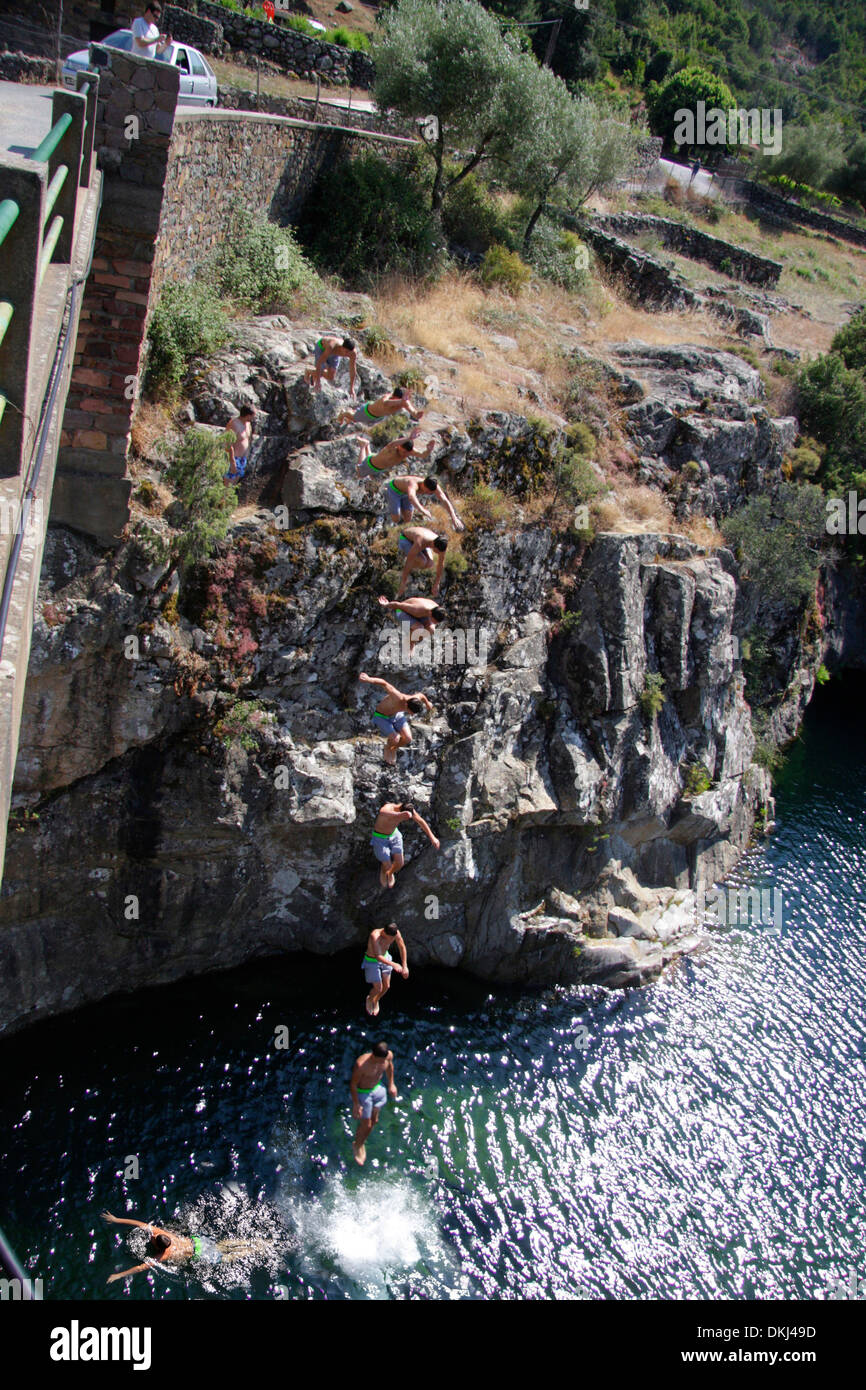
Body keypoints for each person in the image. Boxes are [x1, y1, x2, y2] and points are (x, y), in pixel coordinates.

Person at [101, 1212, 265, 1283]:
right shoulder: (162, 1234)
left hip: (200, 1254)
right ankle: (256, 1242)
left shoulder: (163, 1255)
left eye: (153, 1239)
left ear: (159, 1246)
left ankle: (256, 1249)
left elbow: (140, 1267)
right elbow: (139, 1224)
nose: (151, 1237)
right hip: (198, 1242)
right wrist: (117, 1220)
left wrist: (119, 1275)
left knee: (227, 1257)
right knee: (222, 1245)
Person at [359, 671, 433, 765]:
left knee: (408, 739)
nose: (411, 715)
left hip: (397, 715)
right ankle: (387, 748)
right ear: (406, 704)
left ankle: (393, 748)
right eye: (410, 712)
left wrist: (427, 704)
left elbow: (421, 696)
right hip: (382, 717)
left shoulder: (415, 699)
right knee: (396, 738)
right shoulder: (397, 696)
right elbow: (384, 683)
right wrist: (369, 679)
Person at [370, 798, 439, 890]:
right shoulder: (388, 808)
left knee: (399, 863)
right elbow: (382, 812)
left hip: (394, 835)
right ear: (400, 809)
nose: (406, 819)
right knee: (387, 864)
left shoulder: (408, 809)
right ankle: (385, 870)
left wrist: (432, 838)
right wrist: (400, 815)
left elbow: (421, 822)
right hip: (380, 838)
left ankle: (389, 872)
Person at [350, 1041, 398, 1165]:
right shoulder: (361, 1065)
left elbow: (390, 1067)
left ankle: (361, 1138)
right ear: (373, 1056)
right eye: (381, 1060)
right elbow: (353, 1084)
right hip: (363, 1092)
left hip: (377, 1088)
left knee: (374, 1121)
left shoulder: (388, 1056)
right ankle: (357, 1145)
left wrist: (391, 1084)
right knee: (367, 1124)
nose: (383, 1062)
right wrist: (356, 1104)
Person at [384, 473, 465, 530]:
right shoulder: (413, 484)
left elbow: (444, 500)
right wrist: (422, 510)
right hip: (394, 491)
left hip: (405, 494)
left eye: (431, 492)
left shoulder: (434, 485)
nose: (429, 493)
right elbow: (412, 497)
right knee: (396, 518)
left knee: (408, 517)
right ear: (423, 485)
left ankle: (401, 531)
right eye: (428, 491)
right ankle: (387, 499)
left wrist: (454, 518)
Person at [362, 921, 407, 1016]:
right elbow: (378, 956)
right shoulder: (375, 936)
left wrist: (405, 966)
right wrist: (394, 964)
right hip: (372, 960)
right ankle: (370, 999)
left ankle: (376, 999)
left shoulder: (396, 932)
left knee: (387, 986)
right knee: (378, 988)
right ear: (384, 932)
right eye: (389, 938)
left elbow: (402, 947)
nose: (391, 940)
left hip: (385, 957)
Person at [356, 431, 434, 482]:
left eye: (407, 453)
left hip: (379, 468)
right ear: (399, 447)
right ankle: (363, 446)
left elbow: (422, 455)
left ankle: (367, 445)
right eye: (403, 451)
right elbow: (393, 443)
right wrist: (409, 438)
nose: (404, 454)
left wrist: (428, 450)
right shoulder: (392, 449)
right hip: (371, 464)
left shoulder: (409, 451)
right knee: (359, 473)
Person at [396, 525, 448, 599]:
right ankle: (403, 564)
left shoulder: (442, 544)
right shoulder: (420, 541)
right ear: (434, 546)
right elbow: (409, 561)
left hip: (421, 544)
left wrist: (437, 583)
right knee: (422, 561)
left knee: (430, 563)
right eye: (437, 552)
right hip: (404, 538)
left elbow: (440, 564)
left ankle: (414, 566)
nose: (438, 554)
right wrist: (403, 582)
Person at [377, 593, 445, 648]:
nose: (435, 623)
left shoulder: (437, 609)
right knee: (419, 628)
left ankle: (412, 640)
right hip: (401, 611)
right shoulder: (417, 609)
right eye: (434, 621)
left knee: (431, 629)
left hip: (419, 616)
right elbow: (398, 605)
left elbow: (433, 622)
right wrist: (386, 604)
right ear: (430, 614)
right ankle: (409, 644)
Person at [337, 387, 424, 429]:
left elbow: (408, 406)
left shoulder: (402, 402)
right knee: (353, 417)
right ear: (394, 397)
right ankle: (343, 413)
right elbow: (387, 403)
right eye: (398, 400)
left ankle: (352, 414)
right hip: (367, 412)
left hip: (377, 417)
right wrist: (401, 401)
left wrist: (415, 413)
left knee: (357, 420)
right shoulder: (385, 399)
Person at [224, 406, 255, 484]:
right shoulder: (234, 424)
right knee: (227, 486)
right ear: (248, 415)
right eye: (253, 415)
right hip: (233, 459)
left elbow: (248, 439)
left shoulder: (248, 424)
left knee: (234, 484)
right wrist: (232, 462)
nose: (254, 418)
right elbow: (228, 443)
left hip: (242, 459)